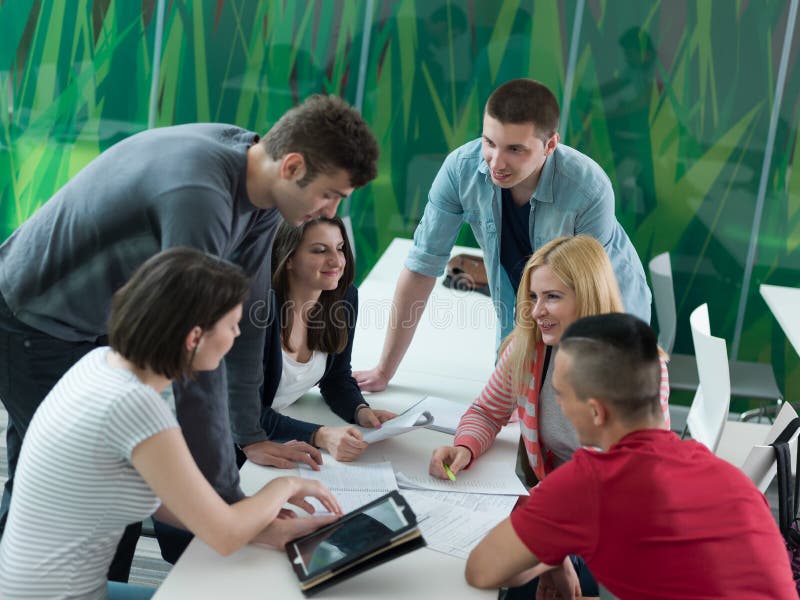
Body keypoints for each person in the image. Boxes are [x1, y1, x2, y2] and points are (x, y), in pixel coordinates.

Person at [0, 94, 379, 580]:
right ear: (292, 166)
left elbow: (245, 328)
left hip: (96, 324)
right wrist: (232, 504)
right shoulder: (200, 196)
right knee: (81, 484)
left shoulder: (261, 192)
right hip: (32, 320)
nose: (330, 209)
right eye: (330, 195)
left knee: (84, 482)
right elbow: (198, 357)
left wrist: (250, 436)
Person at [0, 248, 342, 600]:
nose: (238, 335)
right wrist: (285, 486)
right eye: (232, 325)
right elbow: (224, 537)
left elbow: (169, 501)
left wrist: (257, 527)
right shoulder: (139, 408)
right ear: (194, 338)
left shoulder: (100, 363)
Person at [464, 313, 796, 599]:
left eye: (561, 395)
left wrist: (551, 550)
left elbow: (482, 570)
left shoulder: (590, 483)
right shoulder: (730, 478)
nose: (558, 405)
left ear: (596, 412)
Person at [355, 78, 650, 393]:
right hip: (527, 309)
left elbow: (587, 296)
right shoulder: (461, 170)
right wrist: (384, 370)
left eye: (515, 149)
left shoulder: (588, 188)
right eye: (489, 142)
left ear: (550, 145)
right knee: (509, 401)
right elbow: (420, 268)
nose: (496, 162)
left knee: (573, 403)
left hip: (604, 313)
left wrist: (547, 385)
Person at [429, 235, 669, 596]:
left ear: (587, 297)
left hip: (611, 526)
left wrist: (551, 548)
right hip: (554, 508)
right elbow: (487, 411)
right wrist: (465, 446)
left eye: (552, 297)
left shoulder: (637, 366)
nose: (536, 311)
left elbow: (618, 476)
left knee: (499, 574)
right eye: (533, 297)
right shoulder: (531, 345)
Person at [232, 216, 396, 465]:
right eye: (320, 250)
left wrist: (360, 410)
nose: (336, 261)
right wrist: (320, 435)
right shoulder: (259, 311)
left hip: (272, 436)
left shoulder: (343, 298)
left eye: (340, 248)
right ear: (288, 258)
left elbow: (336, 377)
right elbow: (243, 411)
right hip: (234, 442)